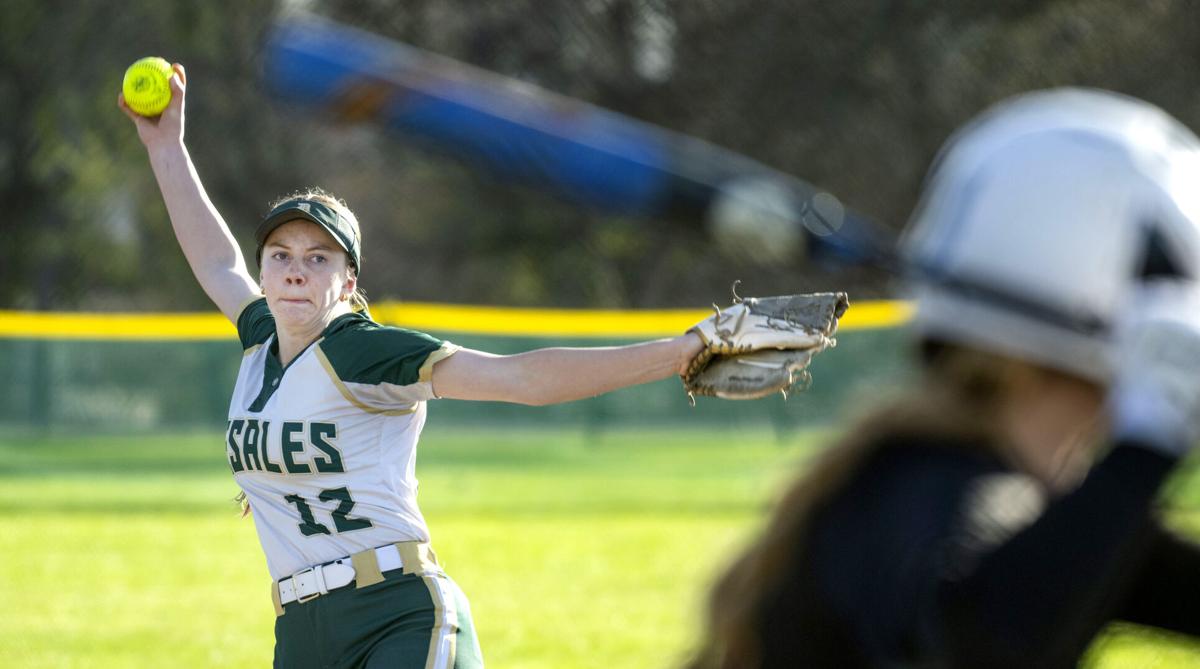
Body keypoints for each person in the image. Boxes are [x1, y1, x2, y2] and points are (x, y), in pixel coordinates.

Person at [118, 63, 719, 669]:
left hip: (397, 615)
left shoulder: (365, 350)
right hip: (299, 633)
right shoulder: (258, 342)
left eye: (318, 257)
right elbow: (217, 262)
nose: (295, 269)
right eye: (280, 256)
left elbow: (522, 379)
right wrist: (166, 146)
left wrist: (681, 352)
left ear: (349, 279)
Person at [686, 87, 1200, 669]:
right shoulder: (931, 491)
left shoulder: (1010, 506)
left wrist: (1138, 458)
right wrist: (1149, 441)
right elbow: (983, 640)